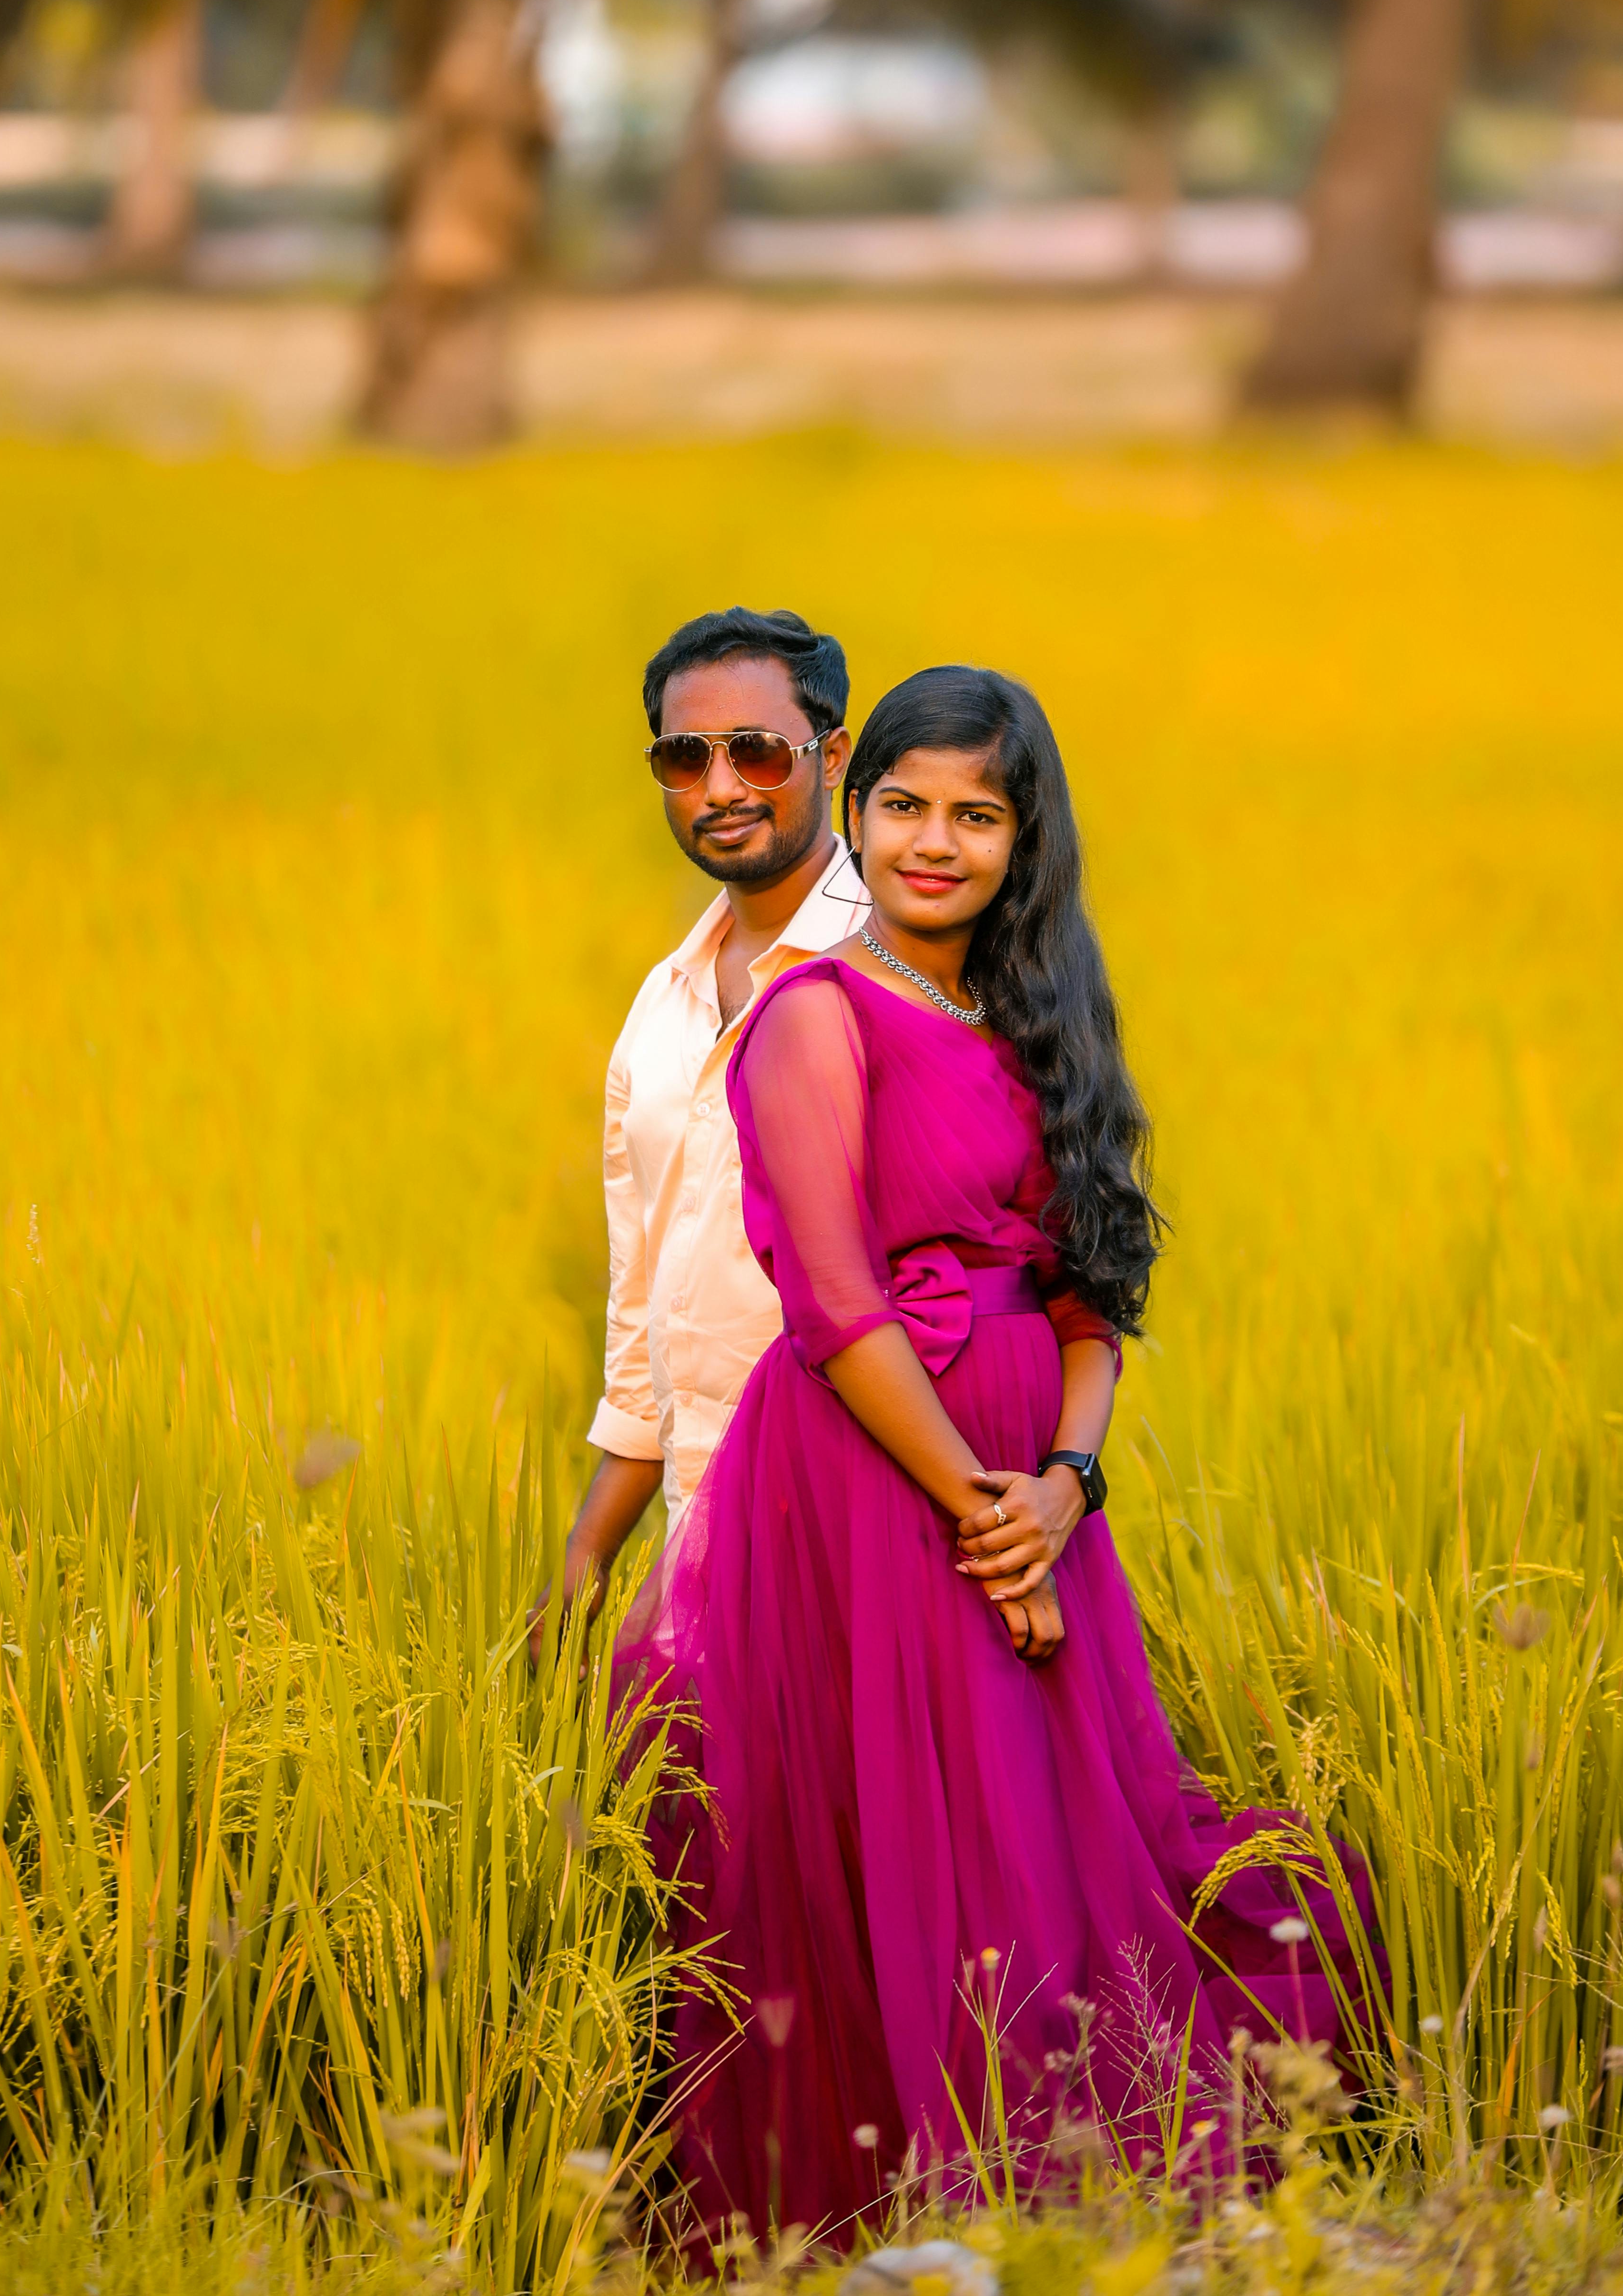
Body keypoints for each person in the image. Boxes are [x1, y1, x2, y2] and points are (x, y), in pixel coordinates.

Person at [616, 665, 1375, 2245]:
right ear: (859, 812)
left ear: (1026, 840)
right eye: (904, 806)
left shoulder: (1039, 1026)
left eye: (977, 813)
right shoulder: (814, 1016)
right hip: (871, 1484)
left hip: (1029, 1497)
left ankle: (1069, 2203)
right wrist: (983, 1520)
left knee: (1050, 1829)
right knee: (927, 1836)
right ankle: (926, 2202)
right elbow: (831, 1304)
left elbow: (1094, 1300)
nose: (935, 842)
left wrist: (1062, 1491)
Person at [560, 607, 870, 1612]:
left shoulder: (901, 973)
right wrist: (585, 1565)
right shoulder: (661, 1008)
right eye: (684, 758)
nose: (722, 787)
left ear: (831, 755)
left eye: (757, 754)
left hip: (870, 1530)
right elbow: (645, 1314)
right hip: (707, 1542)